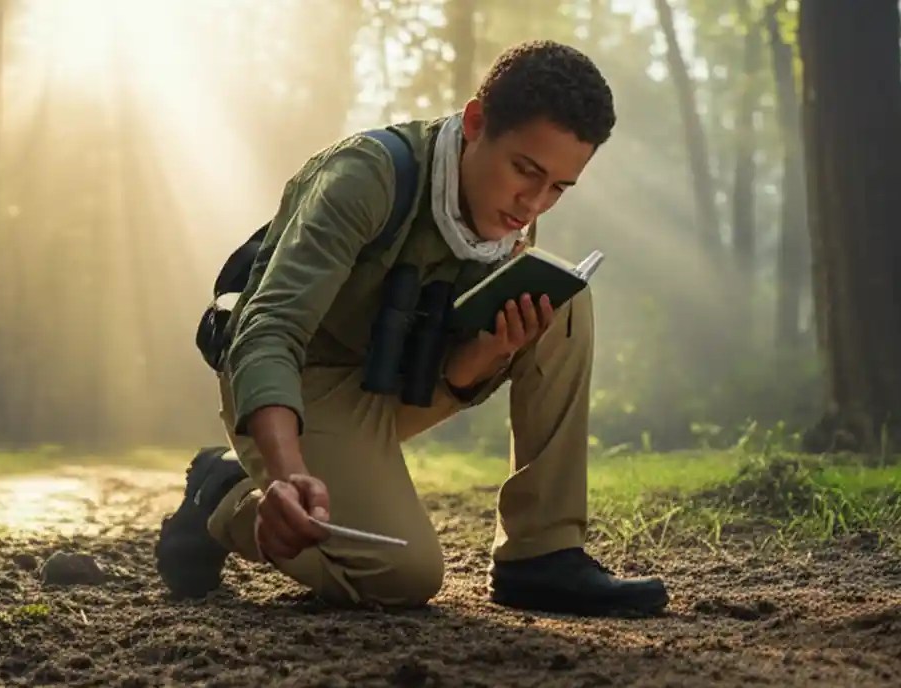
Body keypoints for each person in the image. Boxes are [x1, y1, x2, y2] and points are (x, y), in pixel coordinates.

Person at [155, 40, 668, 616]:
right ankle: (226, 496)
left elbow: (441, 367)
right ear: (475, 122)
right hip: (296, 386)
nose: (534, 203)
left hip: (387, 385)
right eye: (525, 170)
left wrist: (481, 360)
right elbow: (268, 328)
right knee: (401, 574)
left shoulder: (508, 227)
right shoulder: (367, 176)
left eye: (558, 188)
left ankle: (540, 553)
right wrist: (286, 470)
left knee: (563, 303)